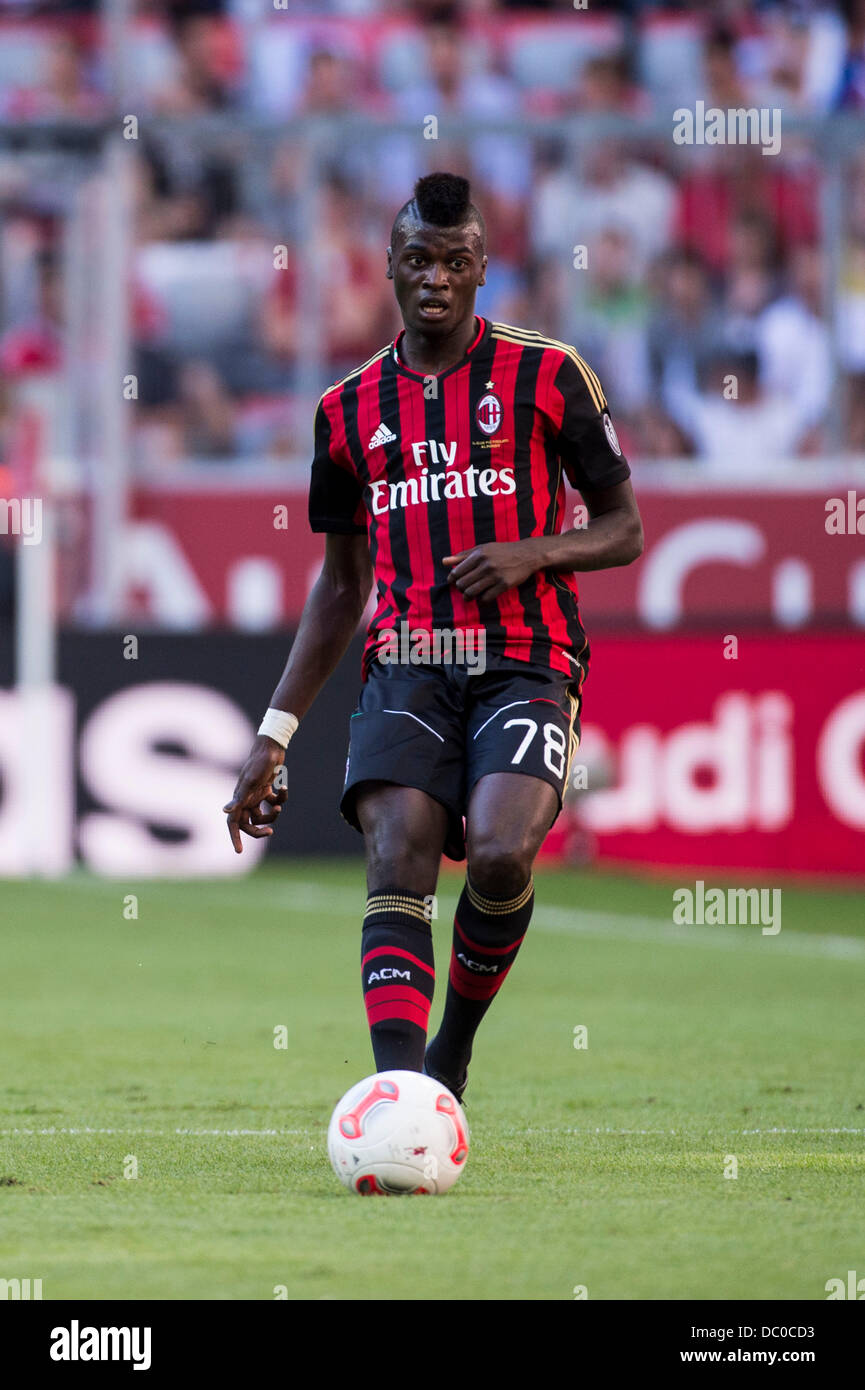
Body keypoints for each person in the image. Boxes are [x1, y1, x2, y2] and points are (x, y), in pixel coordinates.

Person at [224, 173, 643, 1103]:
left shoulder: (549, 374)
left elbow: (624, 528)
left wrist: (533, 553)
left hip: (527, 660)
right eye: (418, 259)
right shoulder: (345, 409)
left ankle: (449, 1046)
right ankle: (401, 1101)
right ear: (388, 267)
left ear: (483, 269)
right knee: (397, 849)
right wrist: (276, 732)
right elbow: (340, 587)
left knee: (497, 853)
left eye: (456, 262)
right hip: (407, 663)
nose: (437, 280)